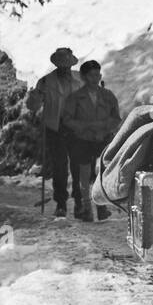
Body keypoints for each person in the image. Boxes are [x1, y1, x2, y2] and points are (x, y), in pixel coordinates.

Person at [26, 47, 85, 218]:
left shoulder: (80, 79)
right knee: (60, 167)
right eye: (62, 65)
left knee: (78, 166)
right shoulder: (45, 82)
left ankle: (79, 203)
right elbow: (33, 106)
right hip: (55, 128)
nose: (65, 68)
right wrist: (34, 96)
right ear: (57, 65)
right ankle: (61, 203)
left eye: (67, 65)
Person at [61, 61, 123, 221]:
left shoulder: (108, 96)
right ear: (83, 77)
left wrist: (102, 128)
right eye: (91, 75)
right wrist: (86, 127)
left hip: (103, 140)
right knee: (84, 175)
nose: (95, 78)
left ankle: (101, 207)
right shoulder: (75, 98)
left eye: (97, 75)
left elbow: (116, 118)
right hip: (83, 140)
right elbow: (67, 119)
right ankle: (86, 208)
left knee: (101, 174)